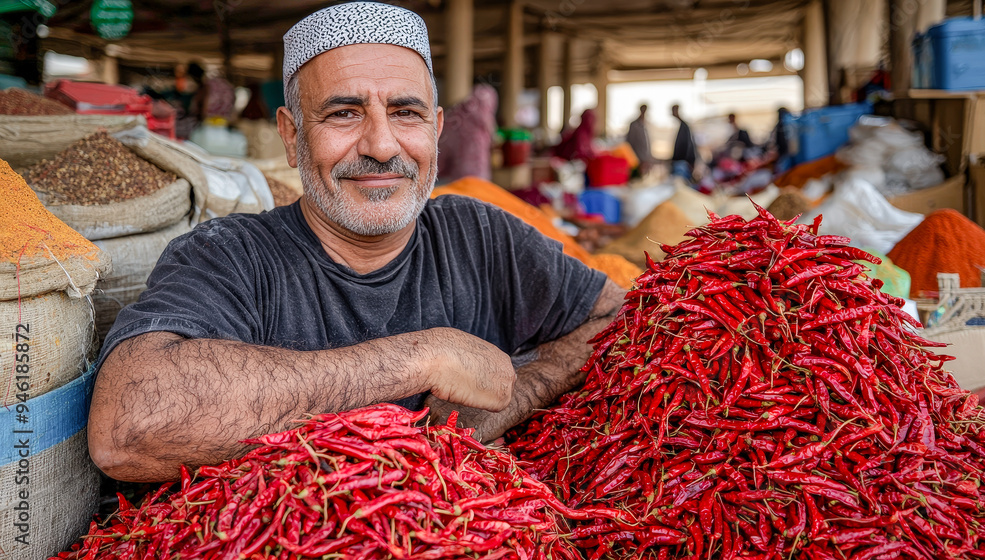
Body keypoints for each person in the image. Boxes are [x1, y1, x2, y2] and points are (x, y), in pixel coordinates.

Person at [88, 2, 623, 483]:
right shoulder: (231, 255)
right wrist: (421, 359)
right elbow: (127, 427)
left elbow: (617, 316)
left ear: (436, 128)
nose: (382, 145)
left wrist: (523, 390)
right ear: (293, 134)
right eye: (343, 113)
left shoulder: (481, 236)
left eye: (405, 113)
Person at [436, 84, 498, 184]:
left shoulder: (457, 115)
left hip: (456, 176)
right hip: (477, 177)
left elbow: (444, 146)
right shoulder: (486, 123)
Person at [671, 104, 698, 178]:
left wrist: (690, 161)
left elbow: (688, 145)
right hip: (682, 161)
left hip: (683, 162)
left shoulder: (684, 127)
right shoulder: (681, 126)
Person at [626, 104, 654, 175]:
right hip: (637, 159)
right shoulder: (634, 125)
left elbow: (647, 144)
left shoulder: (646, 124)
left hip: (645, 159)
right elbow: (630, 142)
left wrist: (648, 159)